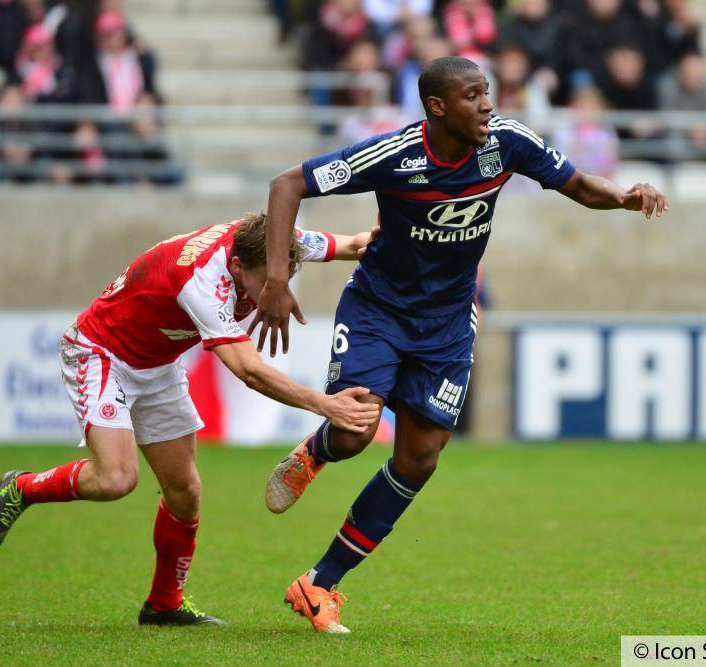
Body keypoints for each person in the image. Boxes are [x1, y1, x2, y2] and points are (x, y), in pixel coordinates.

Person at [251, 55, 668, 634]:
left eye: (488, 93)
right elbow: (287, 184)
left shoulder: (506, 144)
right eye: (473, 96)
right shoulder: (394, 155)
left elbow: (576, 184)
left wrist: (621, 196)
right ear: (437, 107)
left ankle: (319, 584)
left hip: (447, 323)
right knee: (355, 430)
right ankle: (317, 452)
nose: (488, 105)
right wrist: (275, 280)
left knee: (420, 457)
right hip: (379, 309)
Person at [0, 214, 381, 626]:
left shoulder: (277, 242)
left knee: (184, 490)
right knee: (115, 478)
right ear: (238, 267)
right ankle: (21, 488)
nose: (274, 290)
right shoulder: (203, 280)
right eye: (266, 282)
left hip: (157, 361)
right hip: (102, 350)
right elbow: (249, 370)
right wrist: (325, 404)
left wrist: (397, 228)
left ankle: (163, 605)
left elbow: (352, 245)